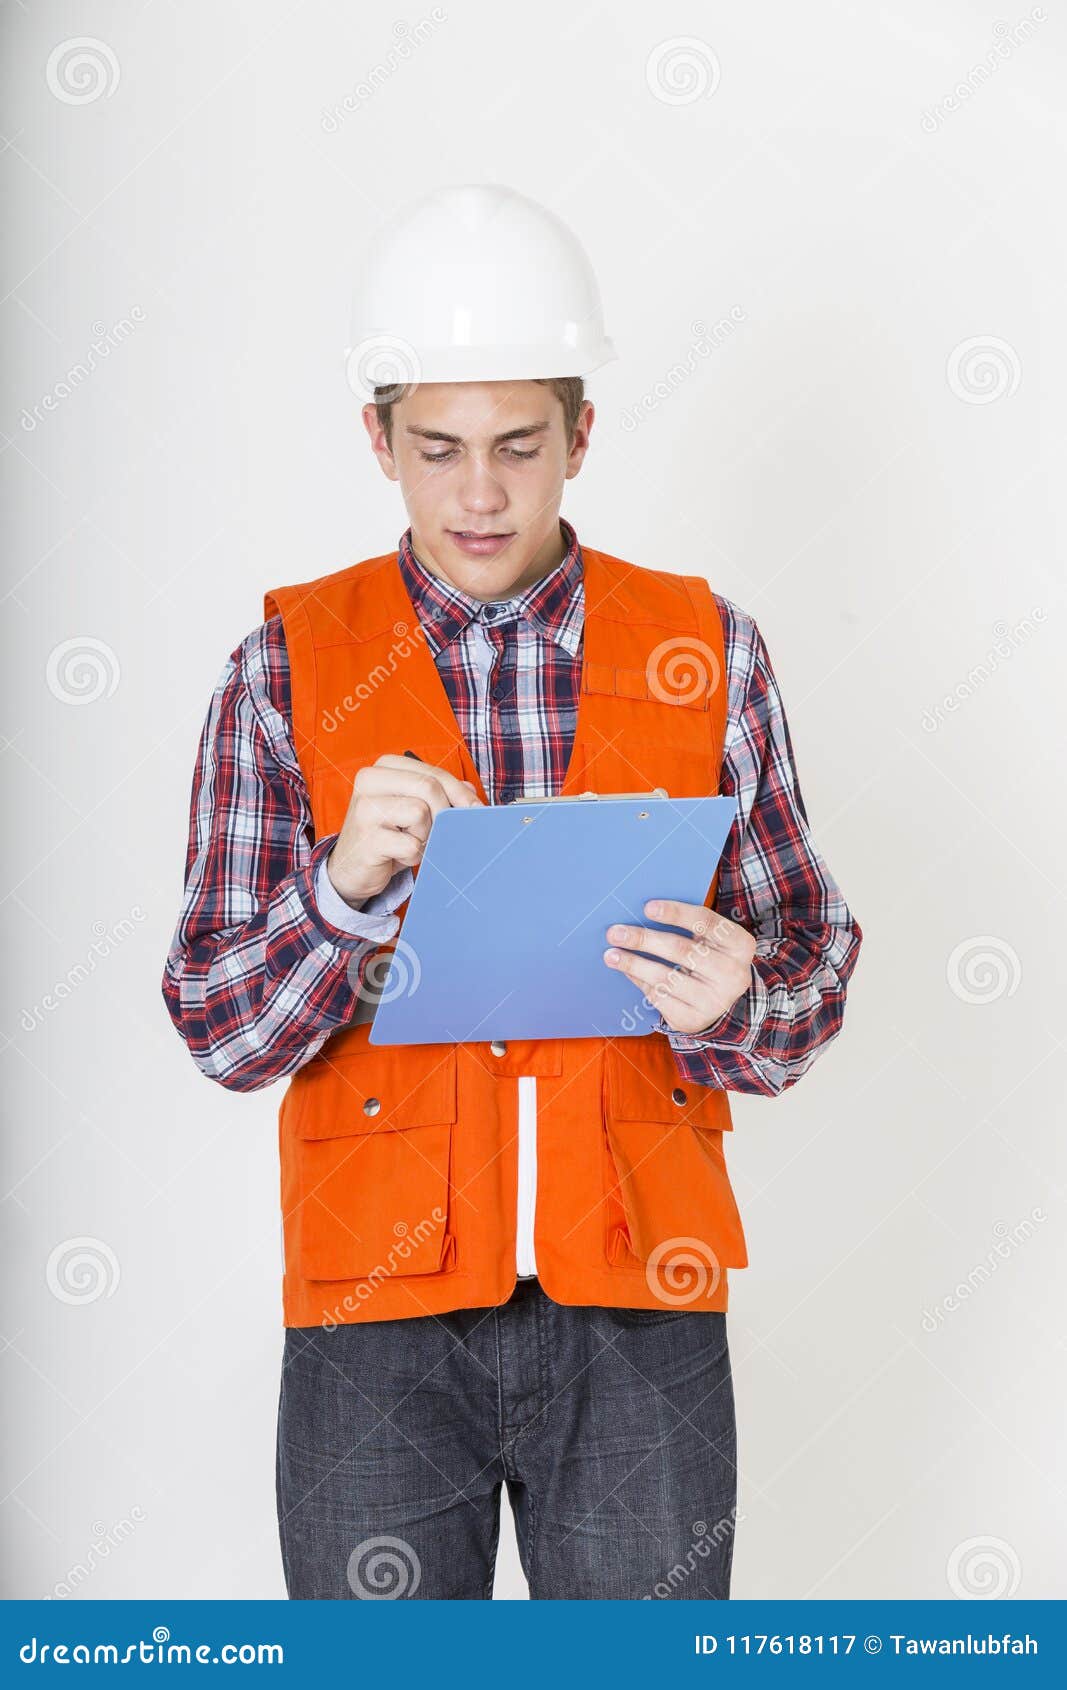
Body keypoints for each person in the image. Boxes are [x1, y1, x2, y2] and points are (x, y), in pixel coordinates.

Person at [162, 184, 863, 1601]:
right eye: (437, 448)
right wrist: (344, 887)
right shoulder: (287, 668)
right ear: (378, 441)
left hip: (639, 1312)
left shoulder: (705, 647)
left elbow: (810, 962)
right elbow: (222, 1030)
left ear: (581, 435)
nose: (478, 493)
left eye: (518, 446)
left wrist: (752, 995)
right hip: (376, 1320)